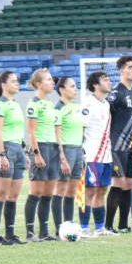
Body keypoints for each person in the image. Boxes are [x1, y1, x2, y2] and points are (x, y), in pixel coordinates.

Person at [0, 70, 27, 246]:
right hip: (6, 149)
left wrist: (24, 152)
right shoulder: (0, 104)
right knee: (1, 193)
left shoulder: (15, 104)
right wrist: (1, 154)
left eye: (17, 81)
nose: (17, 84)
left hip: (18, 150)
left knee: (13, 195)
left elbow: (18, 131)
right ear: (3, 84)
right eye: (13, 81)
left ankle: (10, 234)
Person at [24, 68, 62, 241]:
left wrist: (60, 153)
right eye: (48, 80)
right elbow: (31, 132)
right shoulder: (34, 104)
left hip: (53, 148)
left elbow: (56, 131)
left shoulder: (49, 104)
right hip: (41, 148)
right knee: (36, 192)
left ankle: (44, 232)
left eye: (51, 79)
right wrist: (36, 154)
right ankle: (30, 232)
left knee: (48, 193)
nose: (52, 82)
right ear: (38, 84)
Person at [106, 55, 132, 233]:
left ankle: (123, 225)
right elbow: (106, 117)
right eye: (130, 67)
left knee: (129, 184)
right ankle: (108, 225)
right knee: (118, 183)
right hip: (117, 145)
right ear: (121, 71)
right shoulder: (115, 94)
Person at [81, 71, 115, 237]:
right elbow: (81, 128)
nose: (109, 82)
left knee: (102, 190)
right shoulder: (88, 103)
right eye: (105, 80)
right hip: (92, 155)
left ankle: (100, 228)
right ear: (95, 85)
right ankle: (84, 227)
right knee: (89, 192)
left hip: (106, 156)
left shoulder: (106, 104)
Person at [53, 77, 85, 232]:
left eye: (76, 86)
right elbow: (56, 135)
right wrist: (62, 157)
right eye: (72, 86)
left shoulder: (76, 107)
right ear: (62, 90)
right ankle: (59, 227)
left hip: (78, 150)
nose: (75, 89)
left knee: (72, 190)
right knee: (60, 189)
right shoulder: (58, 108)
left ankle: (68, 225)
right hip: (66, 150)